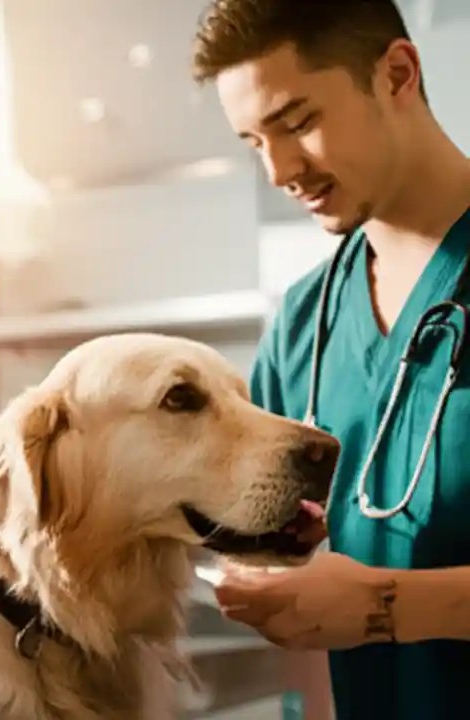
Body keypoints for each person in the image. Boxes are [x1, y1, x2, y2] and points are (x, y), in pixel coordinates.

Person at [189, 1, 470, 718]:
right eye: (254, 141)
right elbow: (262, 528)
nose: (279, 169)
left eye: (298, 122)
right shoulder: (304, 325)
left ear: (398, 74)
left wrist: (392, 608)